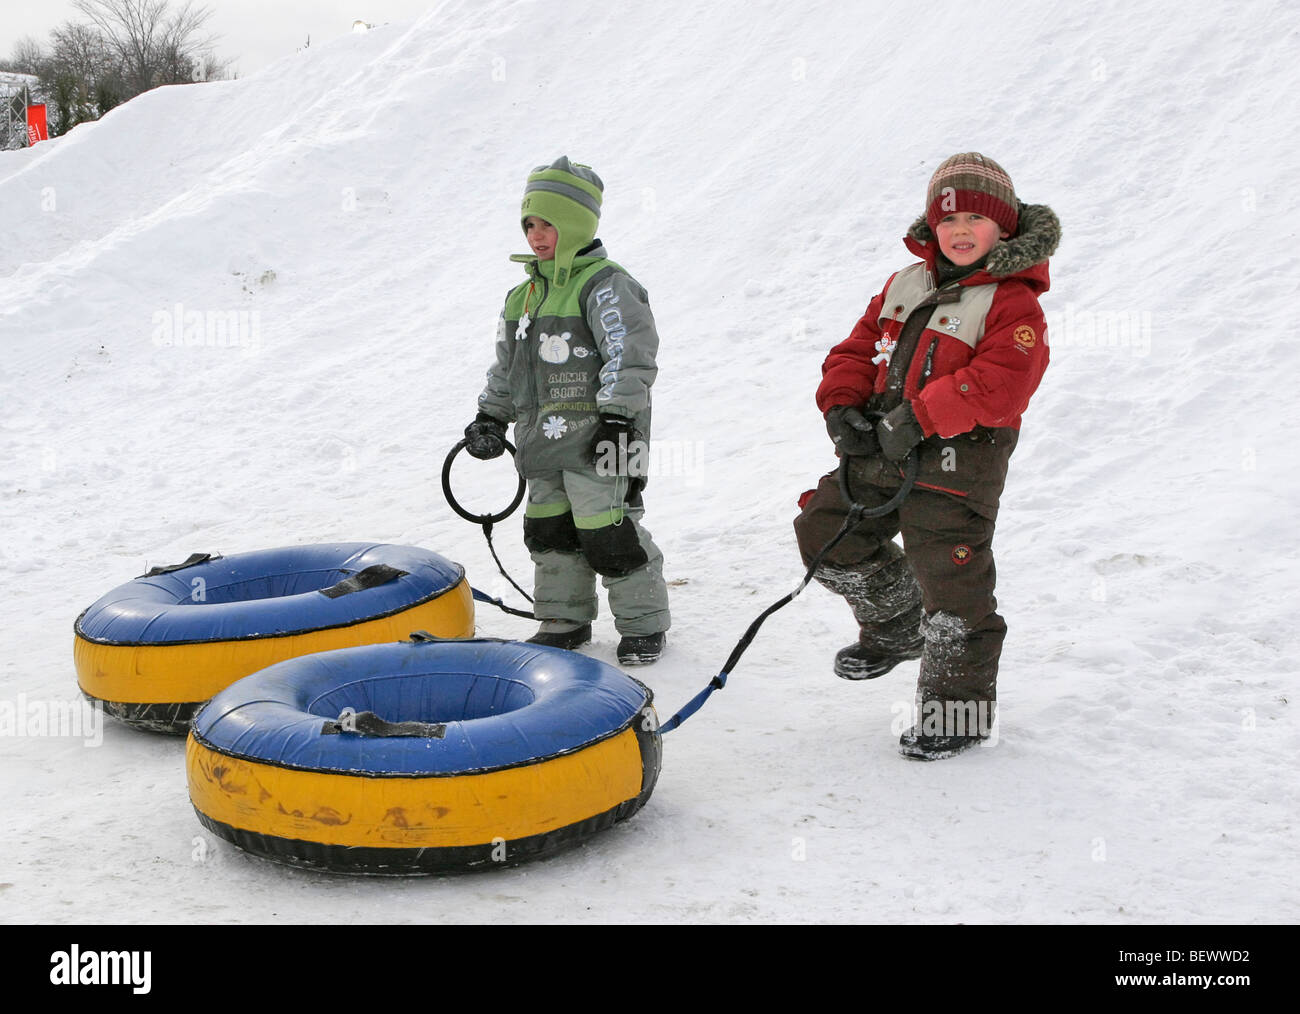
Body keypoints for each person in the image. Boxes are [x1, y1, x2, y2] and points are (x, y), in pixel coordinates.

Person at [793, 152, 1060, 760]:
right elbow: (858, 348)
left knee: (953, 586)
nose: (960, 231)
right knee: (826, 533)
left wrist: (920, 416)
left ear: (1006, 227)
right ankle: (895, 624)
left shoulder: (1012, 303)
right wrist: (842, 405)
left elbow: (1003, 382)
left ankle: (956, 714)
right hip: (879, 451)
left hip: (956, 469)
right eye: (948, 220)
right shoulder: (904, 284)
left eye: (976, 218)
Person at [462, 156, 670, 665]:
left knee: (609, 531)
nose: (536, 234)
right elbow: (508, 368)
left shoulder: (606, 286)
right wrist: (491, 416)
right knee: (549, 530)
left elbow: (630, 353)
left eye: (548, 223)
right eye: (529, 224)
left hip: (604, 437)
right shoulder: (523, 296)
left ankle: (643, 624)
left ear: (576, 223)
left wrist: (619, 417)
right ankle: (565, 619)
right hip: (545, 442)